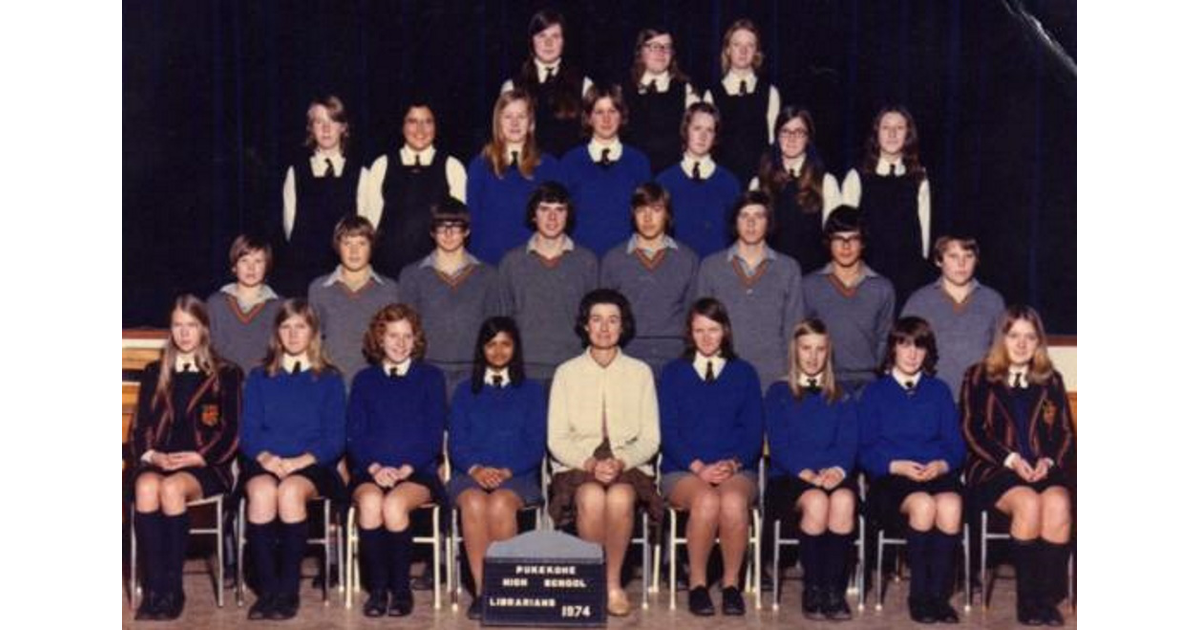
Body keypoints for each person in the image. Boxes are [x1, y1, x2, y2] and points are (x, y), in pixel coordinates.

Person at [547, 289, 662, 617]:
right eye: (596, 320)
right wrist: (589, 463)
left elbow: (651, 438)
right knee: (593, 499)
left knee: (621, 499)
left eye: (613, 320)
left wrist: (622, 461)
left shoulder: (639, 372)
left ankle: (612, 585)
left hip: (628, 462)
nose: (604, 328)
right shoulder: (566, 373)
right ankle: (592, 581)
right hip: (578, 463)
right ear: (585, 325)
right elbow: (556, 438)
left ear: (623, 326)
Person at [960, 305, 1074, 626]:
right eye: (1014, 336)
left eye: (1029, 337)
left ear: (1039, 342)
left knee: (1058, 503)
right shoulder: (978, 376)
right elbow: (971, 429)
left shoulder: (1051, 379)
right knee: (1028, 502)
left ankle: (1046, 597)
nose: (1021, 344)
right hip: (993, 469)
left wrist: (1048, 462)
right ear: (1002, 338)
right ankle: (1027, 602)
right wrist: (1010, 459)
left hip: (1043, 469)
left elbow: (1065, 432)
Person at [131, 295, 242, 620]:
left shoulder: (226, 373)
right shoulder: (155, 372)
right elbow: (140, 427)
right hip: (160, 461)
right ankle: (155, 589)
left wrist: (198, 457)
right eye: (177, 326)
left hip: (205, 465)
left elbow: (232, 432)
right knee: (147, 488)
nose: (184, 333)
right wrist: (154, 456)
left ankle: (173, 587)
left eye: (191, 325)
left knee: (171, 490)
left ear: (204, 329)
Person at [240, 299, 346, 621]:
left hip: (312, 465)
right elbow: (248, 430)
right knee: (261, 492)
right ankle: (267, 592)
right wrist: (267, 458)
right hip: (267, 460)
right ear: (277, 333)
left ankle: (288, 591)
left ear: (313, 332)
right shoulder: (259, 376)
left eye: (300, 326)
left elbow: (335, 437)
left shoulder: (329, 378)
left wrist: (300, 462)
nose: (293, 334)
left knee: (288, 493)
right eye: (286, 326)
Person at [658, 298, 763, 617]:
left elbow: (753, 431)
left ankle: (731, 586)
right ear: (690, 333)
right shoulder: (673, 373)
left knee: (731, 502)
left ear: (725, 331)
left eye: (713, 330)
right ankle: (698, 585)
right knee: (706, 501)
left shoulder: (744, 373)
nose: (706, 337)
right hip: (684, 470)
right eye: (699, 330)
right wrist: (699, 467)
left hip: (736, 468)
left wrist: (732, 464)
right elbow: (668, 430)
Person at [858, 317, 965, 624]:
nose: (912, 353)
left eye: (919, 345)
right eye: (904, 344)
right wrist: (897, 465)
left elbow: (955, 446)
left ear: (927, 352)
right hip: (892, 480)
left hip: (934, 473)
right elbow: (865, 449)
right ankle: (919, 595)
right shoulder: (875, 393)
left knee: (951, 504)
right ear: (892, 348)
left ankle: (938, 596)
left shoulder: (939, 391)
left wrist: (941, 465)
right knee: (923, 504)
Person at [346, 304, 447, 618]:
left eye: (407, 336)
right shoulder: (364, 380)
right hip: (370, 471)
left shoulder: (431, 377)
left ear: (416, 339)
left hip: (417, 472)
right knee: (373, 504)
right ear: (379, 338)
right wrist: (375, 468)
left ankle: (401, 590)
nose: (400, 343)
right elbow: (354, 434)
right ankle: (377, 590)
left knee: (394, 506)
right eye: (393, 336)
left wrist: (405, 468)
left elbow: (433, 434)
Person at [447, 317, 548, 620]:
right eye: (491, 344)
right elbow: (457, 442)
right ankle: (483, 592)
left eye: (506, 343)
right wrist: (476, 469)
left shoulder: (532, 390)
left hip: (517, 475)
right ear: (482, 348)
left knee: (501, 503)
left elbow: (535, 443)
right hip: (470, 473)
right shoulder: (465, 390)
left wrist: (506, 471)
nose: (498, 351)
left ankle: (507, 589)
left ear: (515, 348)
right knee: (475, 502)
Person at [764, 319, 858, 620]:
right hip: (791, 477)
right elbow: (779, 444)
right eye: (806, 348)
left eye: (820, 349)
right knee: (817, 501)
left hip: (832, 475)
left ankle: (834, 590)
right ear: (795, 350)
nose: (813, 356)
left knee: (843, 500)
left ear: (828, 352)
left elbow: (848, 442)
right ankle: (813, 588)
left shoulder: (841, 394)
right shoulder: (778, 392)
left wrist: (838, 471)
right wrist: (806, 474)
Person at [695, 191, 805, 390]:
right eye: (744, 216)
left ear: (769, 222)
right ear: (734, 222)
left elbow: (794, 329)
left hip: (774, 376)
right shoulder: (711, 266)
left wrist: (791, 373)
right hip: (724, 373)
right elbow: (701, 328)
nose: (751, 223)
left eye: (759, 216)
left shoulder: (788, 268)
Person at [397, 199, 502, 395]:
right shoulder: (412, 275)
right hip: (426, 369)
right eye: (441, 226)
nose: (448, 233)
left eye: (455, 226)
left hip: (474, 371)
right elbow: (406, 330)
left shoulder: (488, 275)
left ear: (467, 231)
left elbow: (493, 330)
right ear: (432, 232)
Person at [497, 182, 598, 383]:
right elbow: (502, 320)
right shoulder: (511, 262)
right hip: (524, 368)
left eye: (560, 210)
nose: (552, 217)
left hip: (574, 368)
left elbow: (595, 320)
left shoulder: (587, 261)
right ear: (533, 215)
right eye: (544, 209)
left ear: (568, 215)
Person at [599, 182, 698, 375]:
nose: (648, 217)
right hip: (627, 353)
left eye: (656, 209)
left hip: (675, 353)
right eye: (641, 209)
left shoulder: (688, 258)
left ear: (667, 214)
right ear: (633, 214)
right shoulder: (614, 259)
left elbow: (692, 314)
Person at [362, 100, 468, 278]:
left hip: (436, 273)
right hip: (388, 271)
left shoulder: (452, 166)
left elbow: (459, 227)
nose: (420, 129)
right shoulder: (382, 165)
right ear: (402, 126)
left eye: (427, 122)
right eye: (412, 121)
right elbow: (369, 225)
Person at [275, 95, 368, 298]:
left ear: (343, 127)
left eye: (332, 121)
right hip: (302, 275)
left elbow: (366, 231)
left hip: (344, 275)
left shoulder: (361, 174)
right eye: (319, 122)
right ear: (311, 128)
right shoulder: (295, 172)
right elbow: (290, 226)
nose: (326, 129)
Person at [841, 105, 932, 306]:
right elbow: (844, 232)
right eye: (885, 128)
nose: (892, 134)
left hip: (908, 275)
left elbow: (924, 233)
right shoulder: (857, 177)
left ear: (908, 134)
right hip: (868, 274)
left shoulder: (919, 178)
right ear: (876, 133)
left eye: (899, 128)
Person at [802, 207, 895, 396]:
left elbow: (885, 338)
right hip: (823, 383)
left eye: (853, 239)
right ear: (829, 242)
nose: (846, 246)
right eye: (839, 239)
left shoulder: (882, 288)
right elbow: (799, 338)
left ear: (863, 243)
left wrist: (871, 368)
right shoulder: (809, 286)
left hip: (868, 385)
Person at [901, 236, 1005, 402]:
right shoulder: (919, 301)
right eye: (953, 256)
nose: (961, 264)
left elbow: (1002, 355)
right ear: (938, 261)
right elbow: (902, 355)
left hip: (980, 399)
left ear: (976, 260)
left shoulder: (993, 301)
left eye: (968, 256)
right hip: (931, 400)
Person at [466, 89, 563, 265]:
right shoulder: (480, 165)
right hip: (488, 264)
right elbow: (473, 222)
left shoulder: (549, 166)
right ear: (498, 122)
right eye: (508, 116)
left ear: (531, 123)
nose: (515, 123)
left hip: (534, 265)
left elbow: (555, 221)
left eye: (521, 116)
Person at [308, 215, 399, 390]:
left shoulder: (389, 289)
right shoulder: (319, 289)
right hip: (331, 384)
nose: (354, 251)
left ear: (371, 247)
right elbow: (313, 342)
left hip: (376, 385)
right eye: (347, 243)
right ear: (337, 247)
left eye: (361, 243)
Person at [561, 84, 652, 255]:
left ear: (622, 116)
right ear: (588, 118)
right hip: (579, 258)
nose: (606, 119)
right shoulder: (570, 162)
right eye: (599, 112)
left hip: (627, 258)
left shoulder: (639, 162)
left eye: (612, 111)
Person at [750, 107, 841, 273]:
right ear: (776, 136)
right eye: (785, 131)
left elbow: (835, 240)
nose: (791, 138)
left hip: (812, 277)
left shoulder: (826, 183)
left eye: (799, 132)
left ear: (808, 138)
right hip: (770, 276)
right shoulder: (759, 183)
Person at [500, 9, 594, 157]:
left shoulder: (585, 85)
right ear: (532, 40)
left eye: (555, 36)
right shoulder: (511, 86)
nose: (548, 42)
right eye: (541, 35)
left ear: (564, 41)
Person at [655, 102, 742, 258]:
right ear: (685, 131)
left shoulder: (730, 183)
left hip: (717, 273)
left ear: (715, 137)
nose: (703, 136)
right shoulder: (664, 181)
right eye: (697, 128)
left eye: (709, 130)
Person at [703, 19, 781, 186]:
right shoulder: (712, 95)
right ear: (728, 50)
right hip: (723, 180)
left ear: (757, 52)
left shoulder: (770, 93)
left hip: (759, 181)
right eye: (737, 44)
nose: (743, 51)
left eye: (750, 45)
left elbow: (774, 144)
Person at [622, 26, 701, 174]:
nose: (661, 52)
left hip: (672, 174)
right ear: (640, 51)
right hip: (632, 173)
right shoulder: (623, 90)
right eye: (654, 46)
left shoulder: (686, 90)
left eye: (666, 47)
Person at [207, 234, 283, 374]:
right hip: (224, 386)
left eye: (258, 261)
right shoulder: (215, 303)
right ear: (234, 267)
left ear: (267, 266)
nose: (251, 267)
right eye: (244, 261)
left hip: (264, 385)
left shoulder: (279, 307)